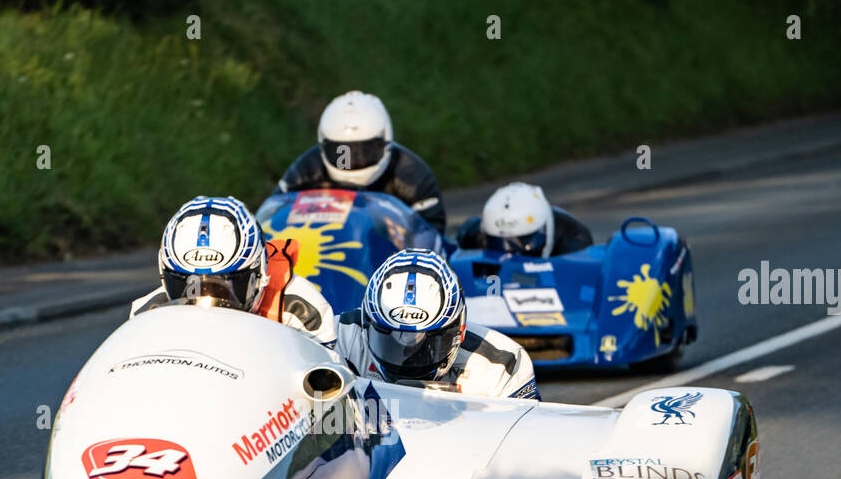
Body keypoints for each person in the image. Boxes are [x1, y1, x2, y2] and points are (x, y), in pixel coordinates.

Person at [131, 196, 336, 347]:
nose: (204, 301)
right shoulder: (145, 315)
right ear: (164, 275)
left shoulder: (301, 308)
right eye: (188, 287)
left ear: (260, 272)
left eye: (223, 288)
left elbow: (326, 395)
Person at [336, 249, 538, 399]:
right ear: (366, 324)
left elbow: (523, 445)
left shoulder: (501, 364)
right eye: (391, 340)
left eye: (425, 344)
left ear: (459, 330)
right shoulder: (337, 339)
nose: (408, 356)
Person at [276, 90, 447, 233]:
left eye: (364, 151)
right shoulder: (306, 170)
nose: (351, 161)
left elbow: (433, 236)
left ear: (385, 143)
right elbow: (273, 219)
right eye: (342, 153)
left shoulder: (412, 174)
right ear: (324, 145)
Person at [455, 182, 592, 257]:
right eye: (497, 242)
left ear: (544, 229)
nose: (510, 254)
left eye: (523, 241)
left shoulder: (576, 242)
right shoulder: (469, 235)